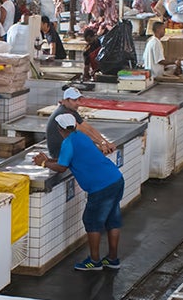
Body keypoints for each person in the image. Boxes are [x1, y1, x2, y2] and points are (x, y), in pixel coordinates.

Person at [33, 112, 125, 271]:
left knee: (91, 221)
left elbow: (62, 167)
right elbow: (67, 159)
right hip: (115, 179)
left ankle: (94, 261)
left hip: (100, 187)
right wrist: (47, 160)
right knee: (112, 220)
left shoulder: (68, 143)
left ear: (60, 129)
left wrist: (44, 164)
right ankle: (112, 258)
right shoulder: (81, 136)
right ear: (74, 125)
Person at [46, 85, 114, 155]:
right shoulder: (63, 113)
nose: (78, 103)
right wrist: (101, 143)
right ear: (65, 101)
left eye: (79, 99)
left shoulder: (71, 110)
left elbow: (89, 128)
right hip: (60, 154)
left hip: (70, 149)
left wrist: (105, 142)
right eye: (74, 100)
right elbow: (82, 131)